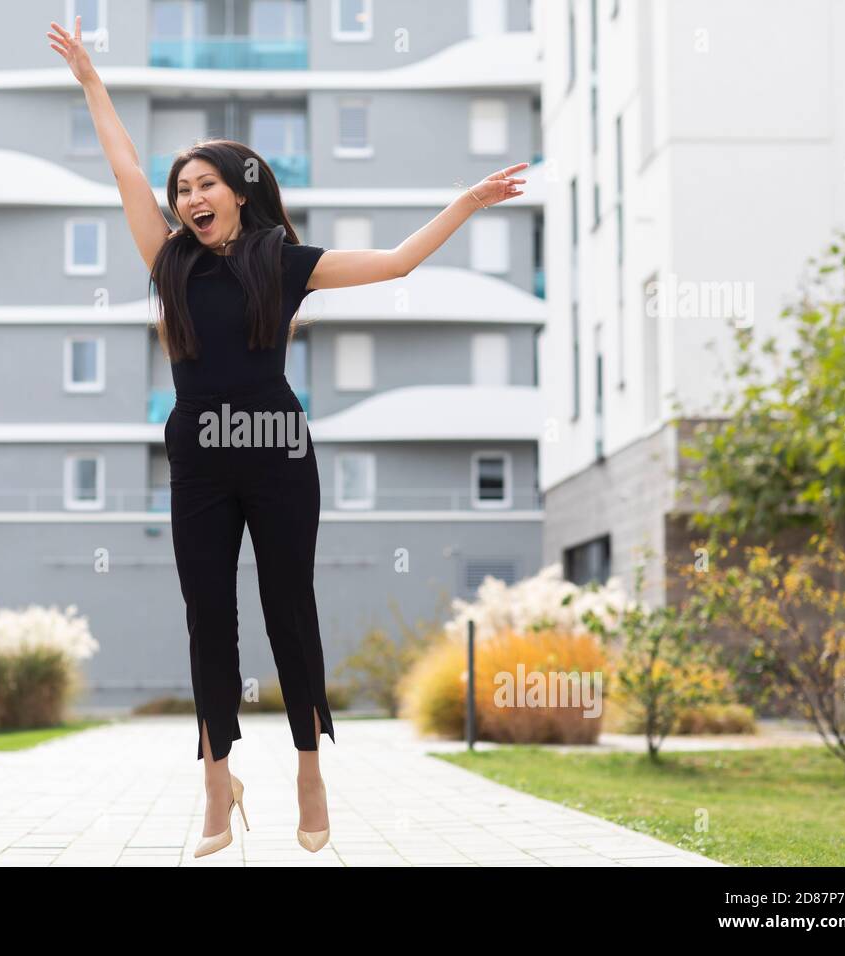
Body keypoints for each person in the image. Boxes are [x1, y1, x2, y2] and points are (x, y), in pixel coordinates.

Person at [48, 16, 527, 858]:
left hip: (277, 452)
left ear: (240, 187)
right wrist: (92, 80)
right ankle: (215, 781)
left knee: (288, 611)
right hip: (198, 455)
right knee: (208, 618)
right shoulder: (167, 261)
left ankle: (310, 769)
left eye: (205, 184)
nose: (189, 198)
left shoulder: (283, 260)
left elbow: (397, 264)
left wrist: (466, 202)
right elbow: (123, 167)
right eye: (181, 188)